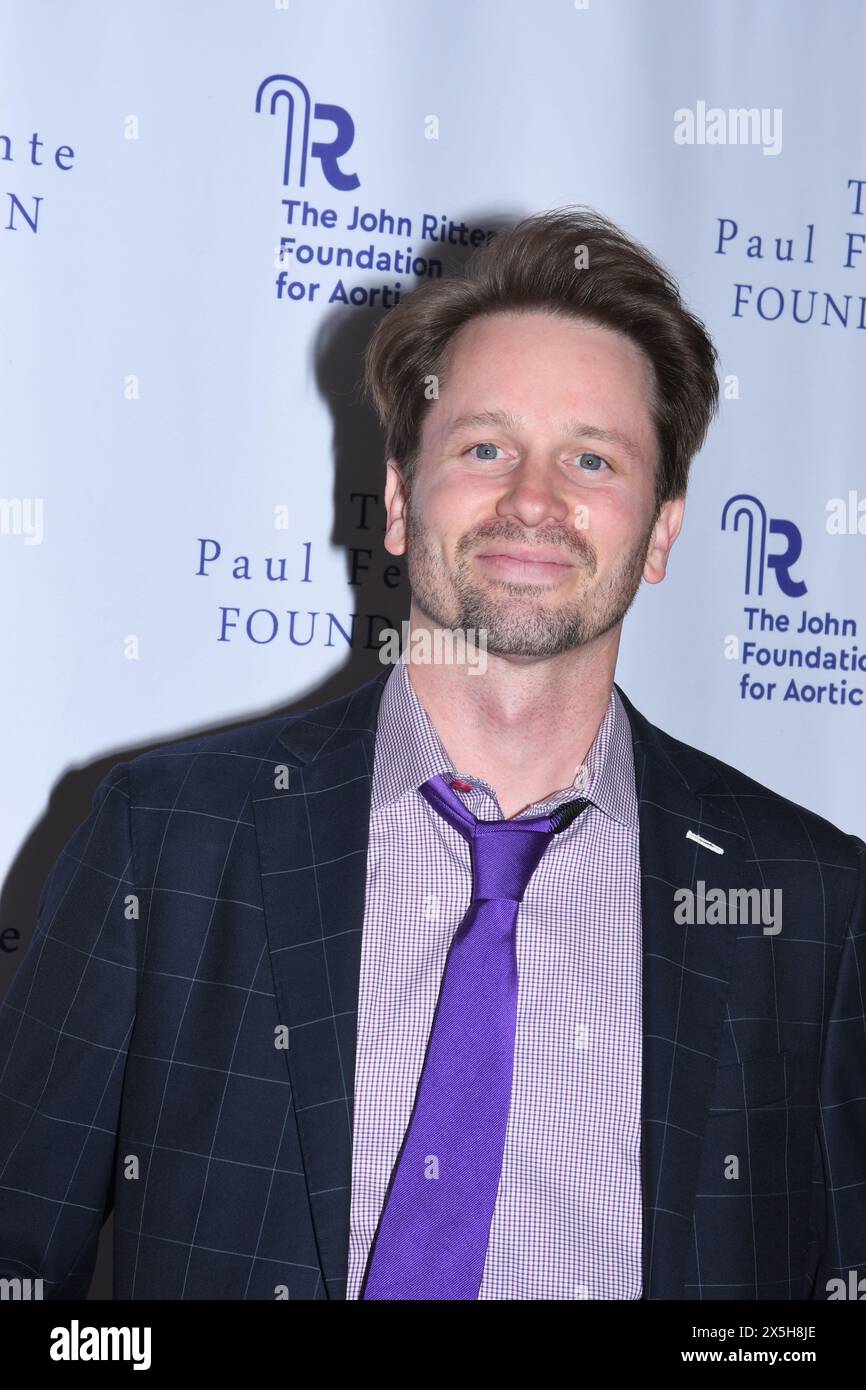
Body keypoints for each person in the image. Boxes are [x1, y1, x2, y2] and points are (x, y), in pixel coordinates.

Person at [1, 207, 863, 1301]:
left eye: (590, 458)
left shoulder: (806, 903)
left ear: (659, 530)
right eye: (484, 446)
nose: (532, 500)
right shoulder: (166, 839)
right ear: (401, 500)